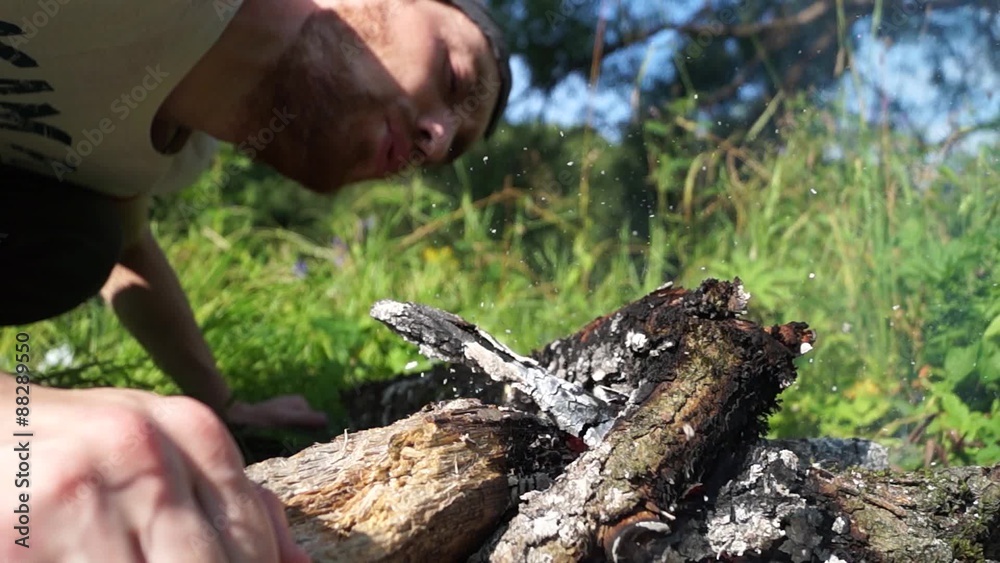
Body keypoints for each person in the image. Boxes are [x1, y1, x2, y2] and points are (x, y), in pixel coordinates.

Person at [0, 0, 511, 560]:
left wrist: (223, 401)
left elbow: (129, 246)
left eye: (449, 150)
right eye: (453, 77)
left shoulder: (173, 155)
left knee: (80, 240)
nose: (435, 140)